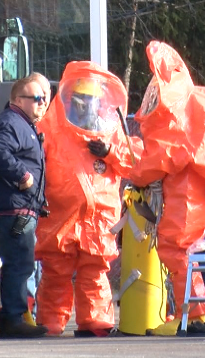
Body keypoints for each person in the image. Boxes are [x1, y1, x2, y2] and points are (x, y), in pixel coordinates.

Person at [129, 41, 205, 337]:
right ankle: (197, 313)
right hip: (197, 196)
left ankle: (193, 316)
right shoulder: (192, 106)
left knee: (175, 249)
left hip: (185, 196)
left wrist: (124, 163)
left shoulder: (177, 115)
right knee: (184, 249)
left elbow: (158, 161)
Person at [35, 62, 142, 337]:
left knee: (94, 270)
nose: (84, 106)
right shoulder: (52, 126)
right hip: (60, 214)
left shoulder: (111, 131)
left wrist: (109, 153)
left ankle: (95, 322)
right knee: (56, 270)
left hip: (99, 217)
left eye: (89, 100)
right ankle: (49, 322)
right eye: (79, 100)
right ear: (70, 99)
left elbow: (135, 164)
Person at [0, 76, 50, 338]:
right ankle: (12, 319)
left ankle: (12, 317)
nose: (42, 103)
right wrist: (23, 177)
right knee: (20, 262)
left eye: (44, 99)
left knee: (21, 261)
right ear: (18, 100)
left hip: (20, 208)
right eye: (37, 98)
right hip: (13, 211)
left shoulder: (23, 125)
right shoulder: (12, 123)